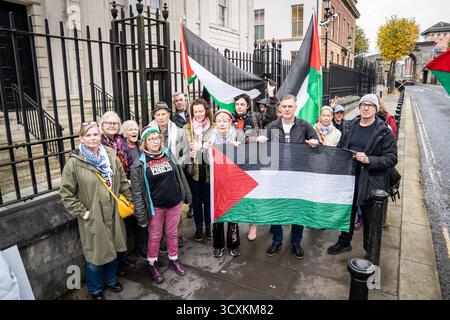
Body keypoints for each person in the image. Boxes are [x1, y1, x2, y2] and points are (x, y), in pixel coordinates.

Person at [60, 122, 131, 300]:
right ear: (81, 138)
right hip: (93, 214)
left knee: (114, 246)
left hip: (113, 211)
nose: (93, 138)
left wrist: (129, 199)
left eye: (96, 135)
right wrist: (83, 212)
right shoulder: (74, 163)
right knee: (95, 253)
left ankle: (111, 279)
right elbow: (66, 193)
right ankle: (95, 288)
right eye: (89, 135)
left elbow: (122, 179)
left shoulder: (110, 155)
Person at [327, 93, 398, 255]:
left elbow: (391, 158)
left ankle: (370, 251)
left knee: (369, 219)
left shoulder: (383, 131)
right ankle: (344, 242)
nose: (366, 107)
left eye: (370, 105)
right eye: (363, 104)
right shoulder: (351, 125)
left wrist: (369, 160)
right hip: (350, 179)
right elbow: (340, 148)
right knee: (347, 213)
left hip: (371, 181)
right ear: (359, 107)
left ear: (376, 109)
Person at [257, 94, 319, 259]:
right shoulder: (271, 126)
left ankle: (296, 242)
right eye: (284, 107)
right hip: (276, 177)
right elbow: (263, 151)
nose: (286, 109)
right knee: (276, 207)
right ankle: (277, 240)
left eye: (290, 106)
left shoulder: (304, 126)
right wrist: (261, 141)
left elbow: (316, 141)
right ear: (279, 109)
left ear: (295, 108)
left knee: (297, 208)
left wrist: (314, 142)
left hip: (298, 177)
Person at [130, 126, 192, 283]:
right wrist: (142, 216)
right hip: (155, 207)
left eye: (157, 138)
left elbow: (179, 176)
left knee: (172, 233)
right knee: (155, 236)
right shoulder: (139, 164)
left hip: (174, 202)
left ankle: (173, 260)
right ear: (144, 143)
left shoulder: (168, 153)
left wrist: (185, 194)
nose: (155, 142)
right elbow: (137, 193)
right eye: (151, 139)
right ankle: (152, 263)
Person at [99, 112, 136, 274]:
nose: (112, 126)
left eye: (115, 123)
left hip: (122, 185)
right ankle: (116, 265)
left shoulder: (119, 141)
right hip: (108, 190)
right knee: (112, 230)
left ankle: (122, 259)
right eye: (109, 123)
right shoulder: (99, 142)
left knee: (121, 229)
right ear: (102, 124)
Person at [148, 101, 189, 249]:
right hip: (157, 177)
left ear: (168, 114)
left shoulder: (179, 131)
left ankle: (177, 236)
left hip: (174, 177)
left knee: (175, 207)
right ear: (154, 116)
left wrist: (176, 166)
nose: (160, 117)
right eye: (157, 114)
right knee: (159, 210)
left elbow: (187, 154)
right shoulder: (148, 132)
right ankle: (164, 239)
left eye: (163, 114)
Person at [206, 109, 245, 258]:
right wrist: (204, 148)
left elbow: (245, 157)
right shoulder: (210, 135)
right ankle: (218, 245)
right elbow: (205, 156)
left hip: (233, 180)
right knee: (218, 213)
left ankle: (233, 244)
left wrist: (238, 148)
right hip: (217, 181)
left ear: (230, 122)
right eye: (219, 120)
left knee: (232, 214)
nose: (222, 123)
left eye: (225, 120)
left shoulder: (238, 134)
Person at [183, 98, 215, 242]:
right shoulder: (186, 129)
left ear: (206, 110)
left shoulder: (214, 128)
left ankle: (209, 228)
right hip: (194, 172)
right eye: (195, 111)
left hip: (209, 171)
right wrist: (188, 153)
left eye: (201, 111)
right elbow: (181, 151)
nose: (198, 114)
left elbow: (218, 149)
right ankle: (199, 229)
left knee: (208, 201)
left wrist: (203, 148)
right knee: (196, 202)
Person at [232, 93, 262, 241]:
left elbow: (270, 116)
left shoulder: (255, 117)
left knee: (251, 194)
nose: (239, 107)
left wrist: (271, 96)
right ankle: (235, 222)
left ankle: (252, 224)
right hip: (234, 163)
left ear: (247, 106)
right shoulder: (229, 119)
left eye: (242, 104)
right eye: (237, 104)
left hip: (251, 161)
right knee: (235, 194)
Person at [121, 120, 148, 260]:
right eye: (130, 130)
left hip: (144, 186)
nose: (133, 132)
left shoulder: (140, 146)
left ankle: (145, 244)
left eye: (135, 129)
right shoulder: (122, 150)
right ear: (125, 133)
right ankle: (141, 246)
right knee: (138, 217)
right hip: (129, 188)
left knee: (144, 215)